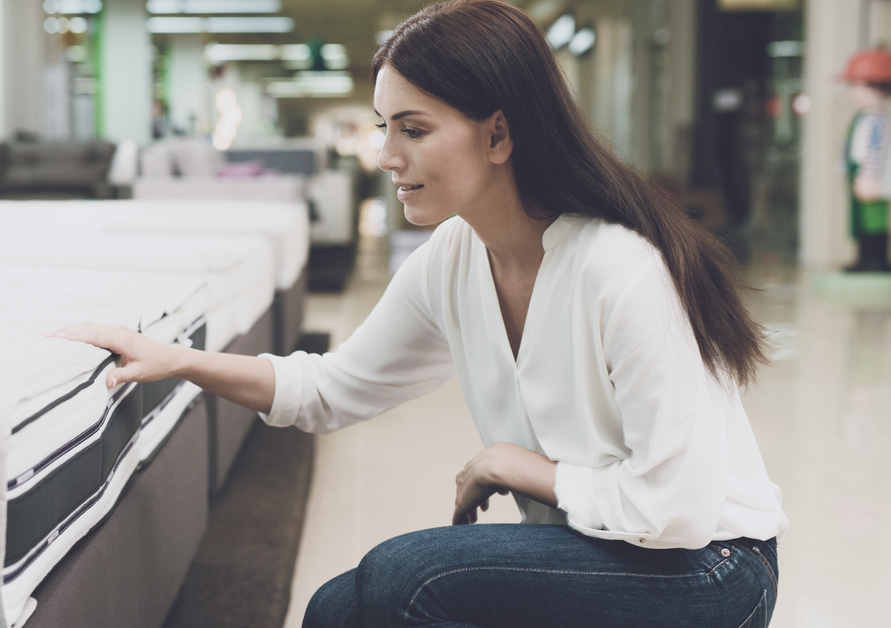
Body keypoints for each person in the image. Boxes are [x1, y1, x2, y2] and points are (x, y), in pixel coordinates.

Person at [48, 1, 788, 625]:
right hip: (599, 544)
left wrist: (521, 467)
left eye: (412, 129)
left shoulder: (619, 267)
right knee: (338, 607)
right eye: (383, 127)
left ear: (498, 134)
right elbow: (332, 388)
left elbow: (679, 512)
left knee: (410, 577)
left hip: (710, 568)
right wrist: (179, 361)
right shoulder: (455, 257)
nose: (384, 156)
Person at [842, 48, 891, 272]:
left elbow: (875, 150)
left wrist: (869, 176)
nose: (852, 92)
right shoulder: (865, 117)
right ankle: (865, 258)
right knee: (860, 220)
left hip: (870, 176)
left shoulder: (877, 120)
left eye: (857, 85)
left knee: (874, 219)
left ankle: (876, 259)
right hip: (858, 173)